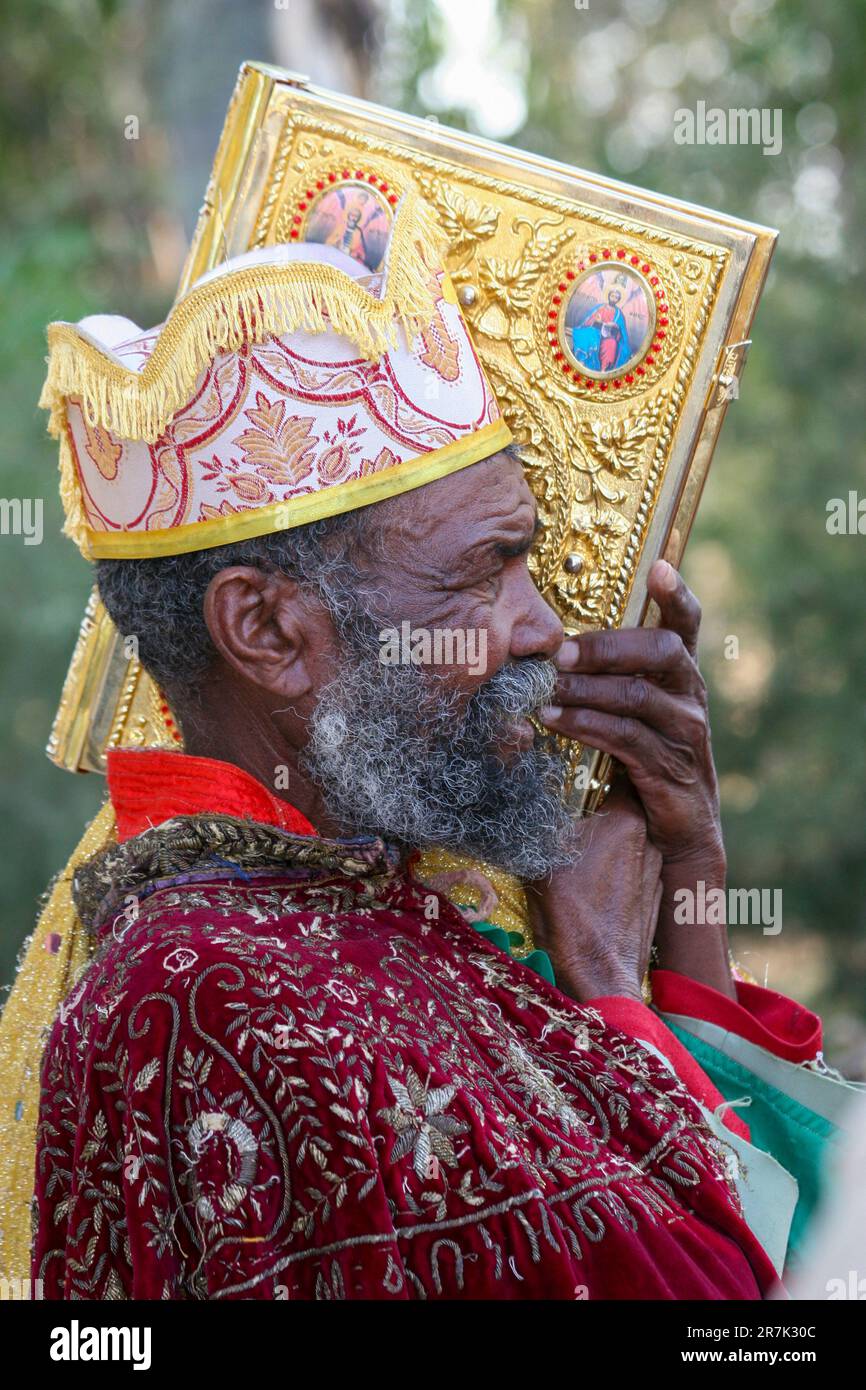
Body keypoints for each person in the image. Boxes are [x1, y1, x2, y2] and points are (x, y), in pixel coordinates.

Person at [20, 192, 859, 1299]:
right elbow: (714, 1297)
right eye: (480, 572)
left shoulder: (393, 904)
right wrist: (606, 985)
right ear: (269, 630)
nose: (543, 627)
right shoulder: (219, 980)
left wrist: (687, 880)